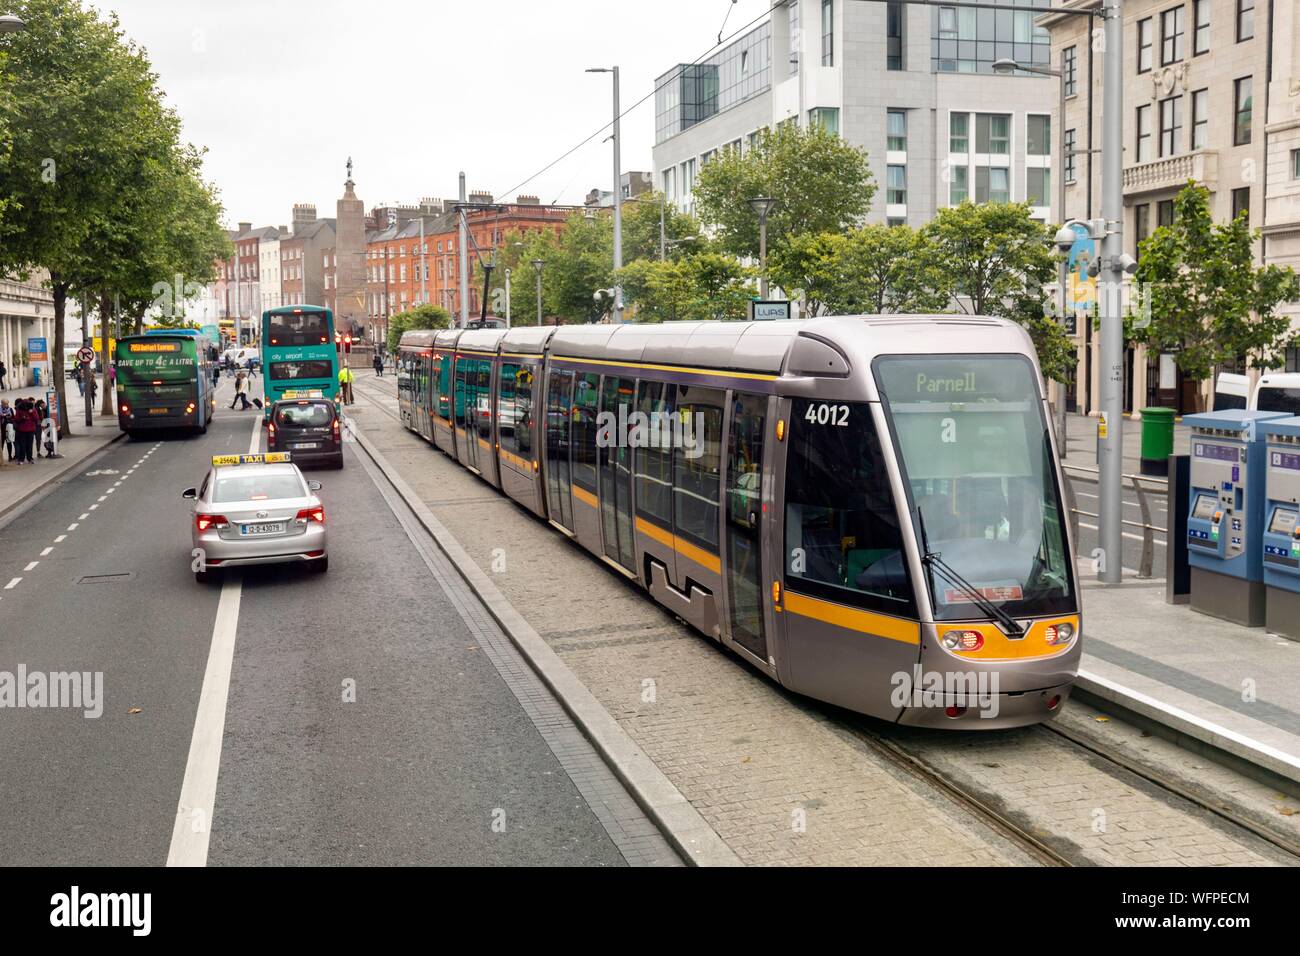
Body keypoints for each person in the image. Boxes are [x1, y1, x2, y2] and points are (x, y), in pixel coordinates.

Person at [14, 397, 38, 464]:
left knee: (29, 445)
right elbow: (16, 419)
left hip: (30, 430)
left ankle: (29, 458)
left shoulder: (33, 410)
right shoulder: (19, 410)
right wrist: (22, 418)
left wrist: (32, 412)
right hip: (22, 430)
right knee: (23, 445)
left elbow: (36, 419)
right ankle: (22, 459)